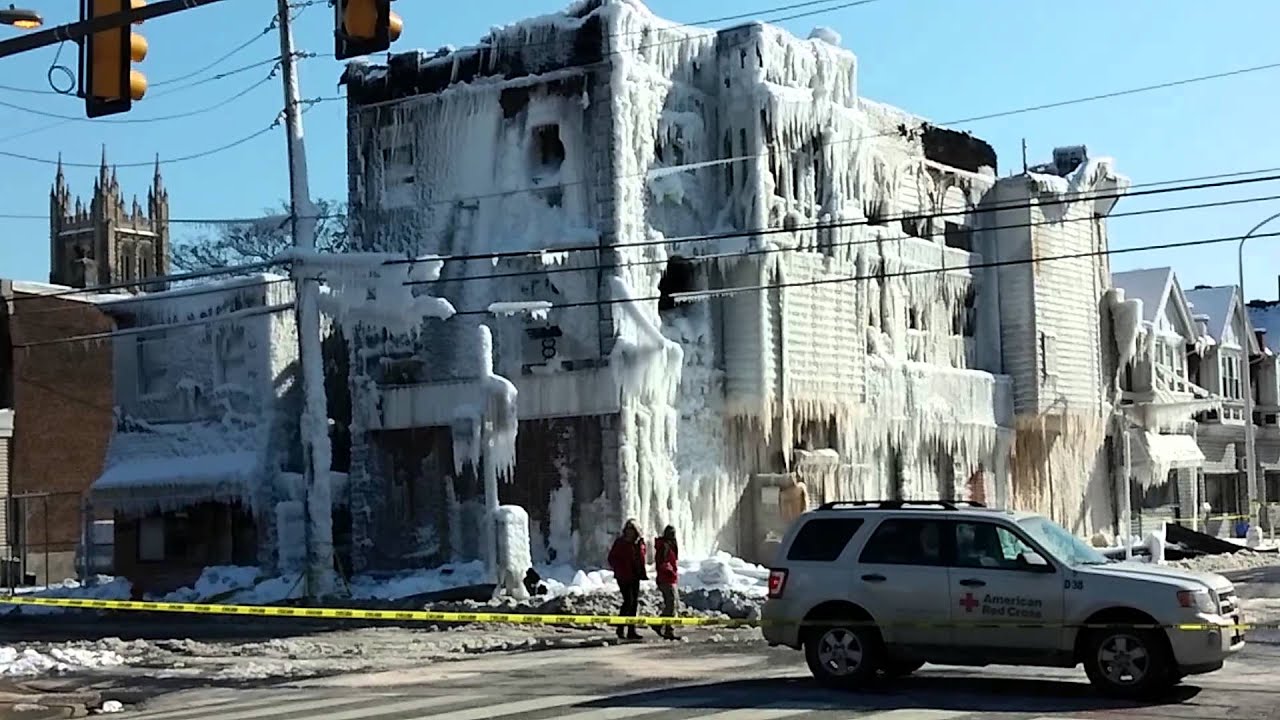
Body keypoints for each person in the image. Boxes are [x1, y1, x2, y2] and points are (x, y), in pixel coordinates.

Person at [608, 518, 647, 640]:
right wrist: (619, 568)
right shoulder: (620, 543)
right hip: (623, 576)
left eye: (632, 530)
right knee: (628, 601)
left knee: (634, 602)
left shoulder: (639, 543)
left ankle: (631, 630)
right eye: (628, 529)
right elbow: (612, 558)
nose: (630, 532)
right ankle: (620, 628)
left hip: (635, 575)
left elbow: (641, 557)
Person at [652, 525, 679, 640]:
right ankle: (665, 628)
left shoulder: (669, 546)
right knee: (671, 604)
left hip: (669, 578)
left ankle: (664, 626)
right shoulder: (665, 546)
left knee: (672, 604)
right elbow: (662, 562)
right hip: (666, 579)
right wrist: (670, 571)